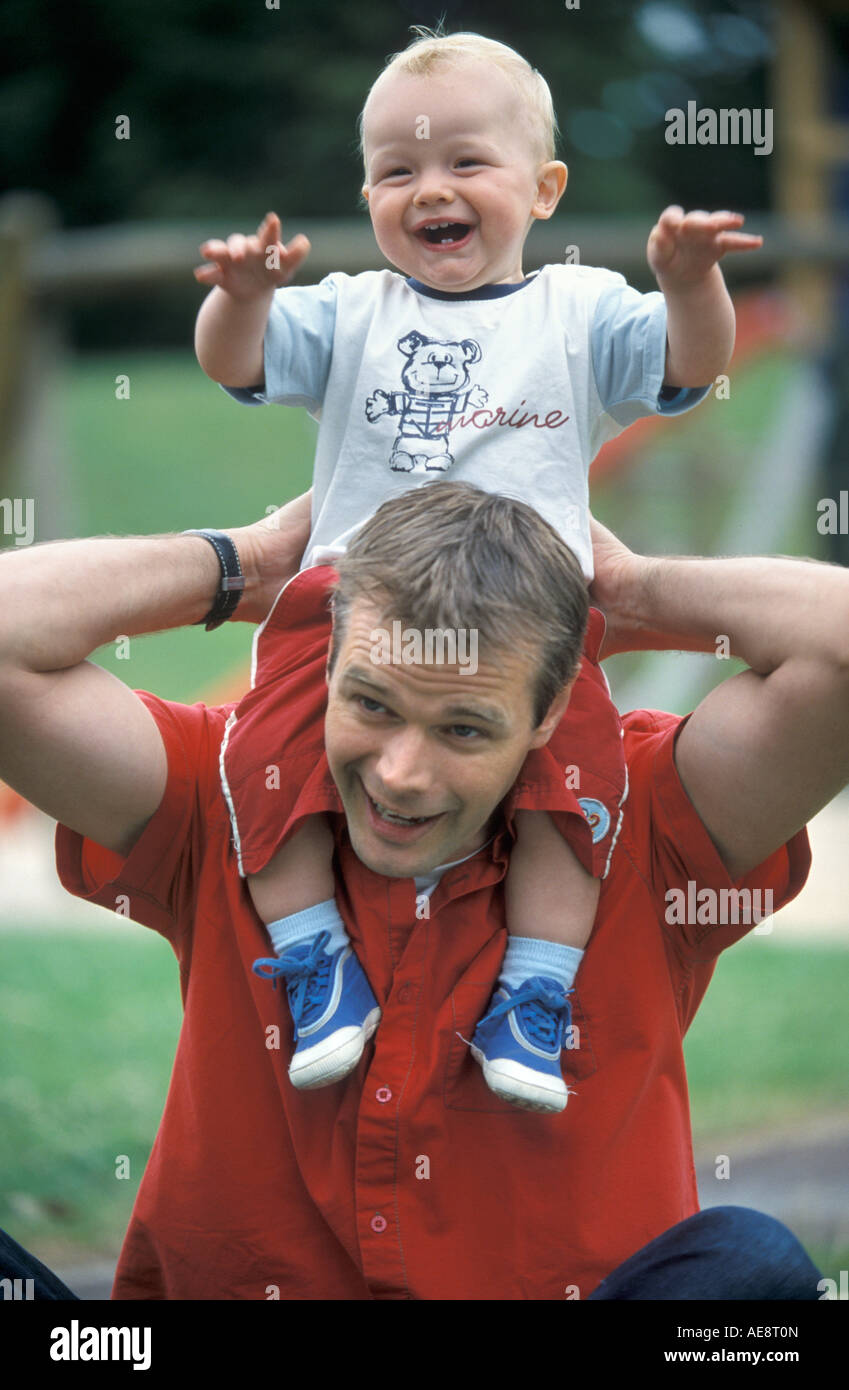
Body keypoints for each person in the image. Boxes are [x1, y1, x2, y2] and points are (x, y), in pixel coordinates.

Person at [0, 482, 846, 1300]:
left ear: (548, 712)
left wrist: (628, 592)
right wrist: (243, 563)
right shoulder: (223, 786)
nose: (401, 775)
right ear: (327, 664)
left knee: (750, 1261)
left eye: (463, 728)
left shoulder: (644, 813)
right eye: (369, 704)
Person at [191, 29, 764, 1110]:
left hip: (533, 619)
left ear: (544, 189)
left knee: (575, 794)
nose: (430, 190)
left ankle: (534, 994)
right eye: (397, 171)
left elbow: (692, 364)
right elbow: (238, 363)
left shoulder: (580, 313)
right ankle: (316, 964)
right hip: (350, 610)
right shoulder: (354, 310)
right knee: (259, 762)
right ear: (365, 194)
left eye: (465, 163)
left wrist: (689, 284)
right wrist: (243, 298)